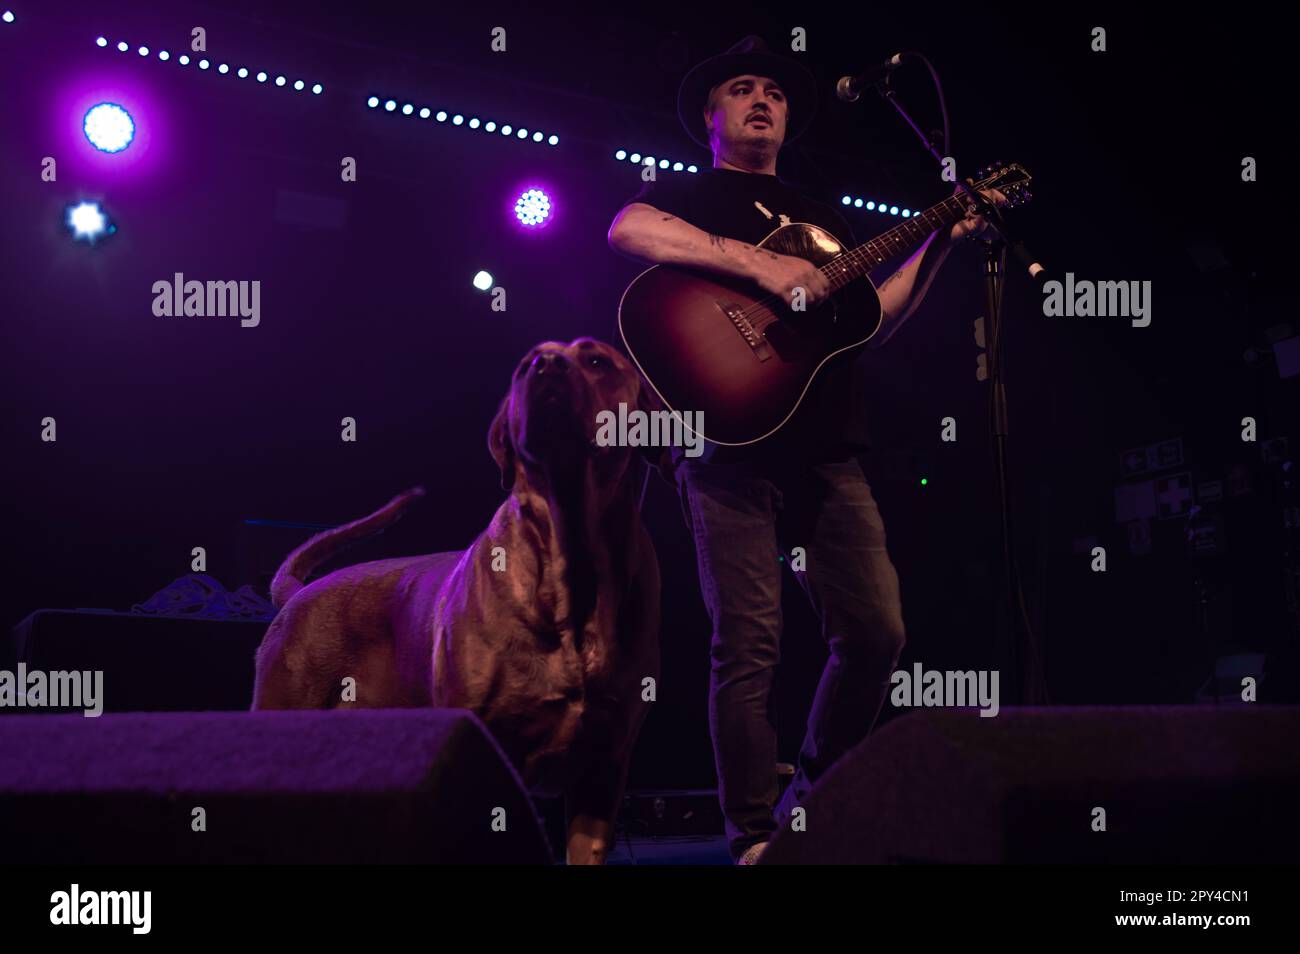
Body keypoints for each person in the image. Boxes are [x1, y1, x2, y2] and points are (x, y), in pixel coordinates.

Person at [607, 35, 1001, 864]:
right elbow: (629, 228)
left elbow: (873, 321)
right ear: (711, 118)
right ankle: (750, 833)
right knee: (748, 640)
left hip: (827, 445)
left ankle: (808, 803)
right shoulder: (690, 193)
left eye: (775, 94)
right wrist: (754, 262)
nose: (762, 99)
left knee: (878, 632)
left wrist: (943, 239)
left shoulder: (823, 215)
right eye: (741, 89)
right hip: (724, 443)